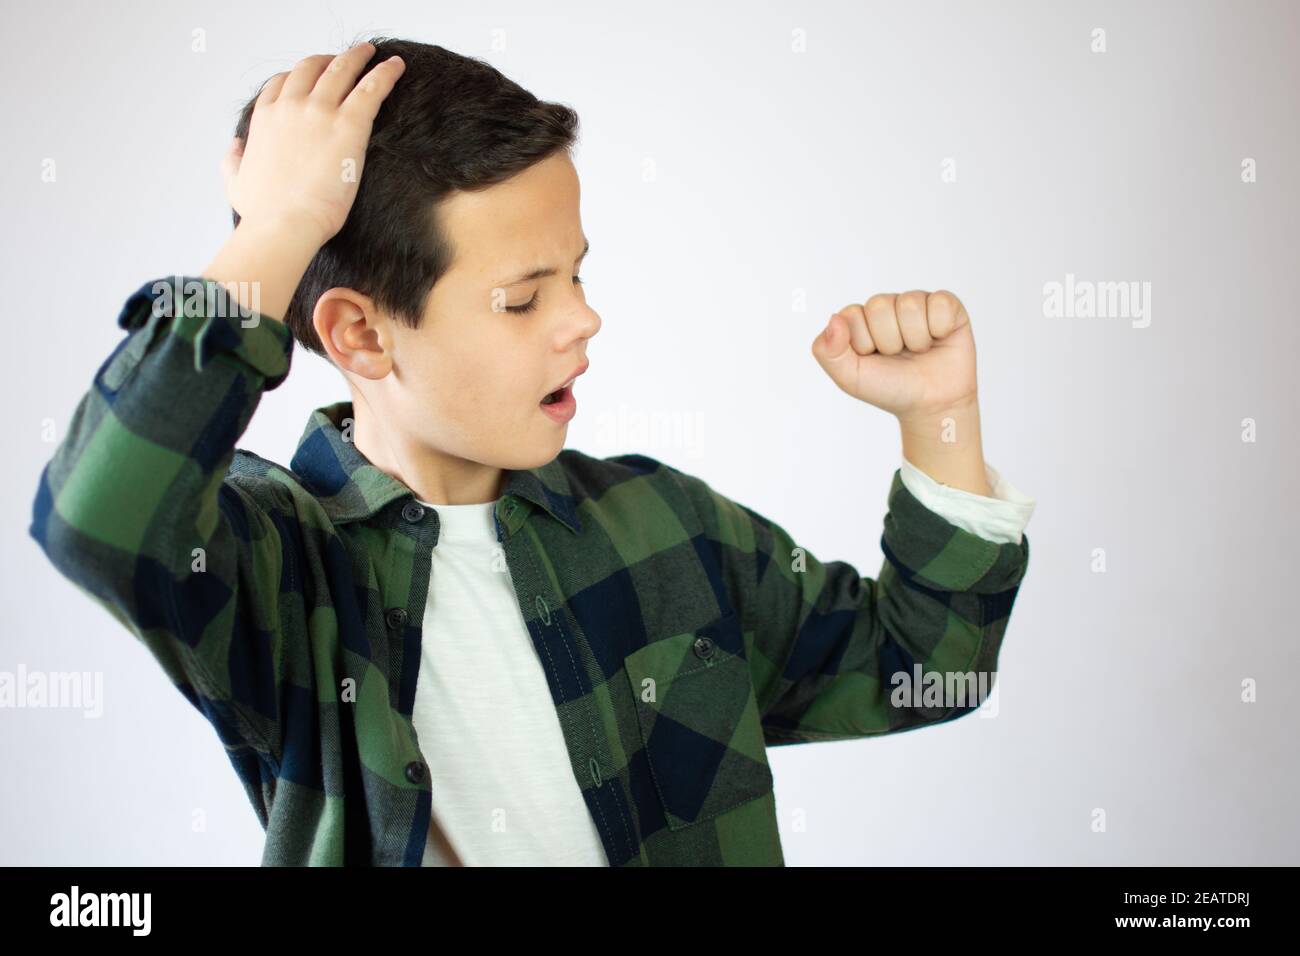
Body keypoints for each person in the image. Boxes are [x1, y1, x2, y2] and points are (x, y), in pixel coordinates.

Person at [29, 37, 1036, 866]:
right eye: (523, 297)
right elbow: (98, 512)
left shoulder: (664, 528)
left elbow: (925, 663)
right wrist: (284, 223)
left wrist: (938, 414)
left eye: (577, 275)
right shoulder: (282, 575)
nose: (584, 320)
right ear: (360, 335)